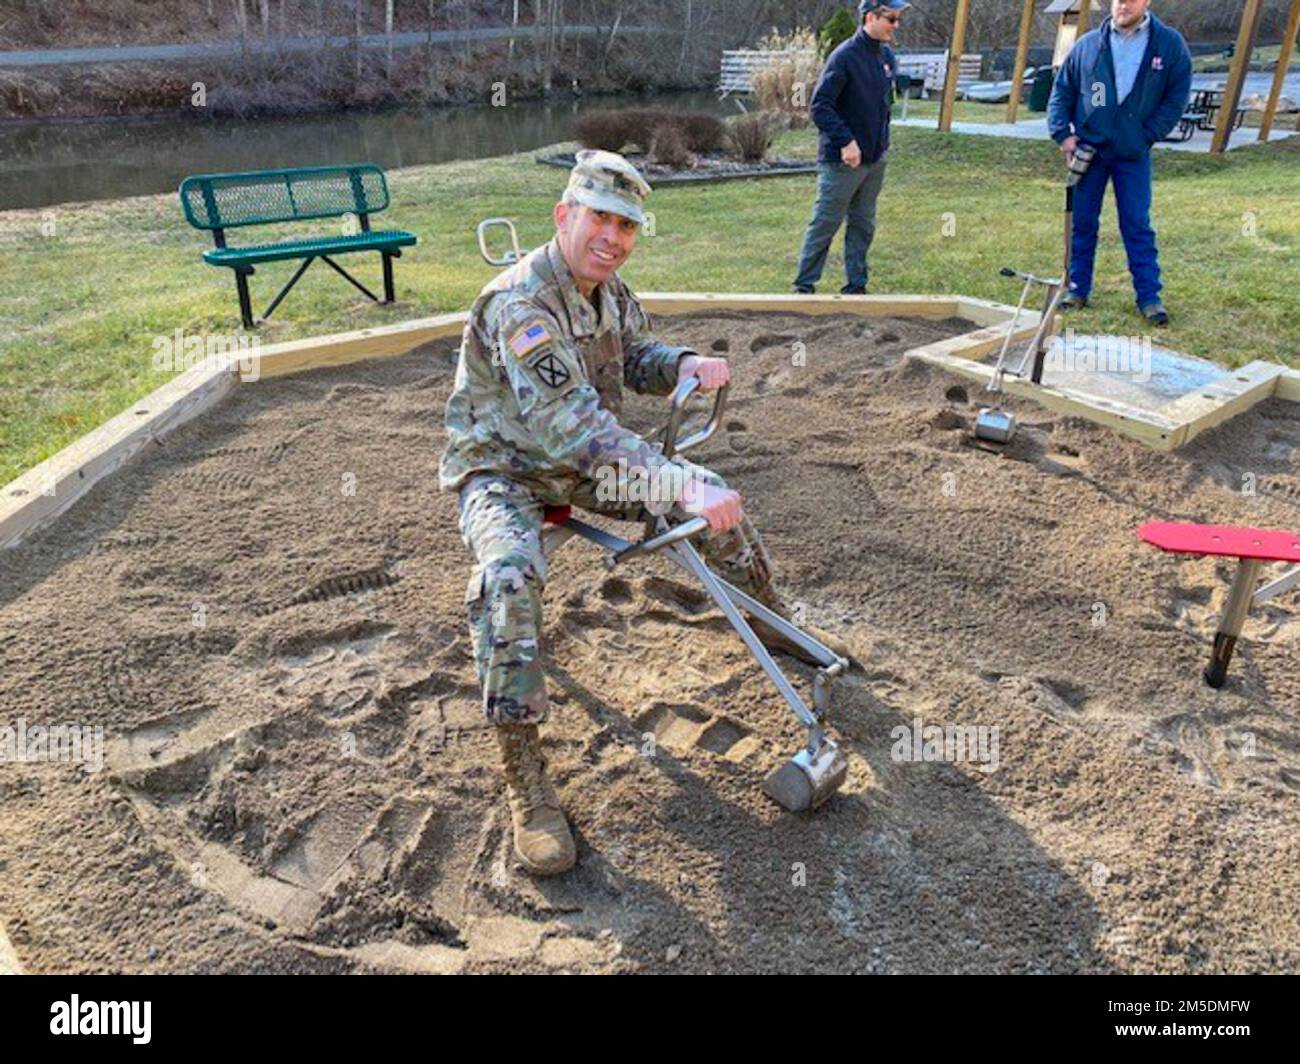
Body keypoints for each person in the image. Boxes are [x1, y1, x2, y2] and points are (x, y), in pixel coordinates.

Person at [440, 150, 845, 876]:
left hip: (586, 465)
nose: (614, 236)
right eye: (600, 217)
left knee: (715, 494)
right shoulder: (520, 307)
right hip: (506, 471)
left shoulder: (608, 289)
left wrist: (682, 361)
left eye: (627, 224)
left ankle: (770, 620)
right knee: (507, 577)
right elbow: (571, 427)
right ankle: (525, 782)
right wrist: (671, 483)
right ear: (565, 216)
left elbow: (632, 356)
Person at [1047, 0, 1192, 326]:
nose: (1122, 4)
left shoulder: (1168, 45)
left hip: (1132, 154)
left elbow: (1177, 96)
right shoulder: (1087, 46)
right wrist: (1062, 135)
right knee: (1082, 222)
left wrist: (1147, 135)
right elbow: (1062, 92)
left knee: (1137, 225)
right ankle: (1077, 288)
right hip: (1090, 151)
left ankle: (1149, 297)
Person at [792, 0, 909, 296]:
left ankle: (856, 286)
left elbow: (883, 105)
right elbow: (820, 107)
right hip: (842, 161)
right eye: (891, 19)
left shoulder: (886, 56)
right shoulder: (844, 56)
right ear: (870, 17)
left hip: (875, 160)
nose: (896, 25)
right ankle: (804, 287)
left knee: (863, 225)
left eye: (897, 19)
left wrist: (881, 145)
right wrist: (846, 141)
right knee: (825, 223)